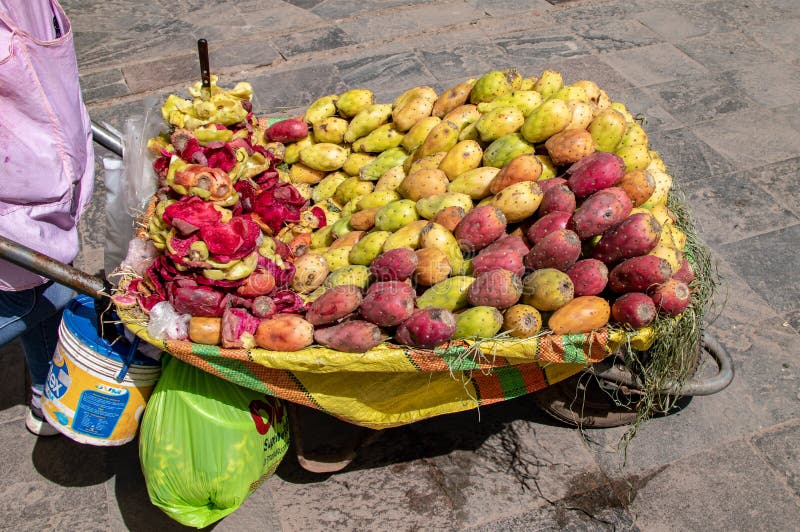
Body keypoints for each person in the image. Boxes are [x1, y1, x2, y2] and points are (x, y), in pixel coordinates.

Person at [0, 0, 94, 435]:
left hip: (48, 185)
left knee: (43, 282)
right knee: (36, 295)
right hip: (11, 209)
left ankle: (46, 394)